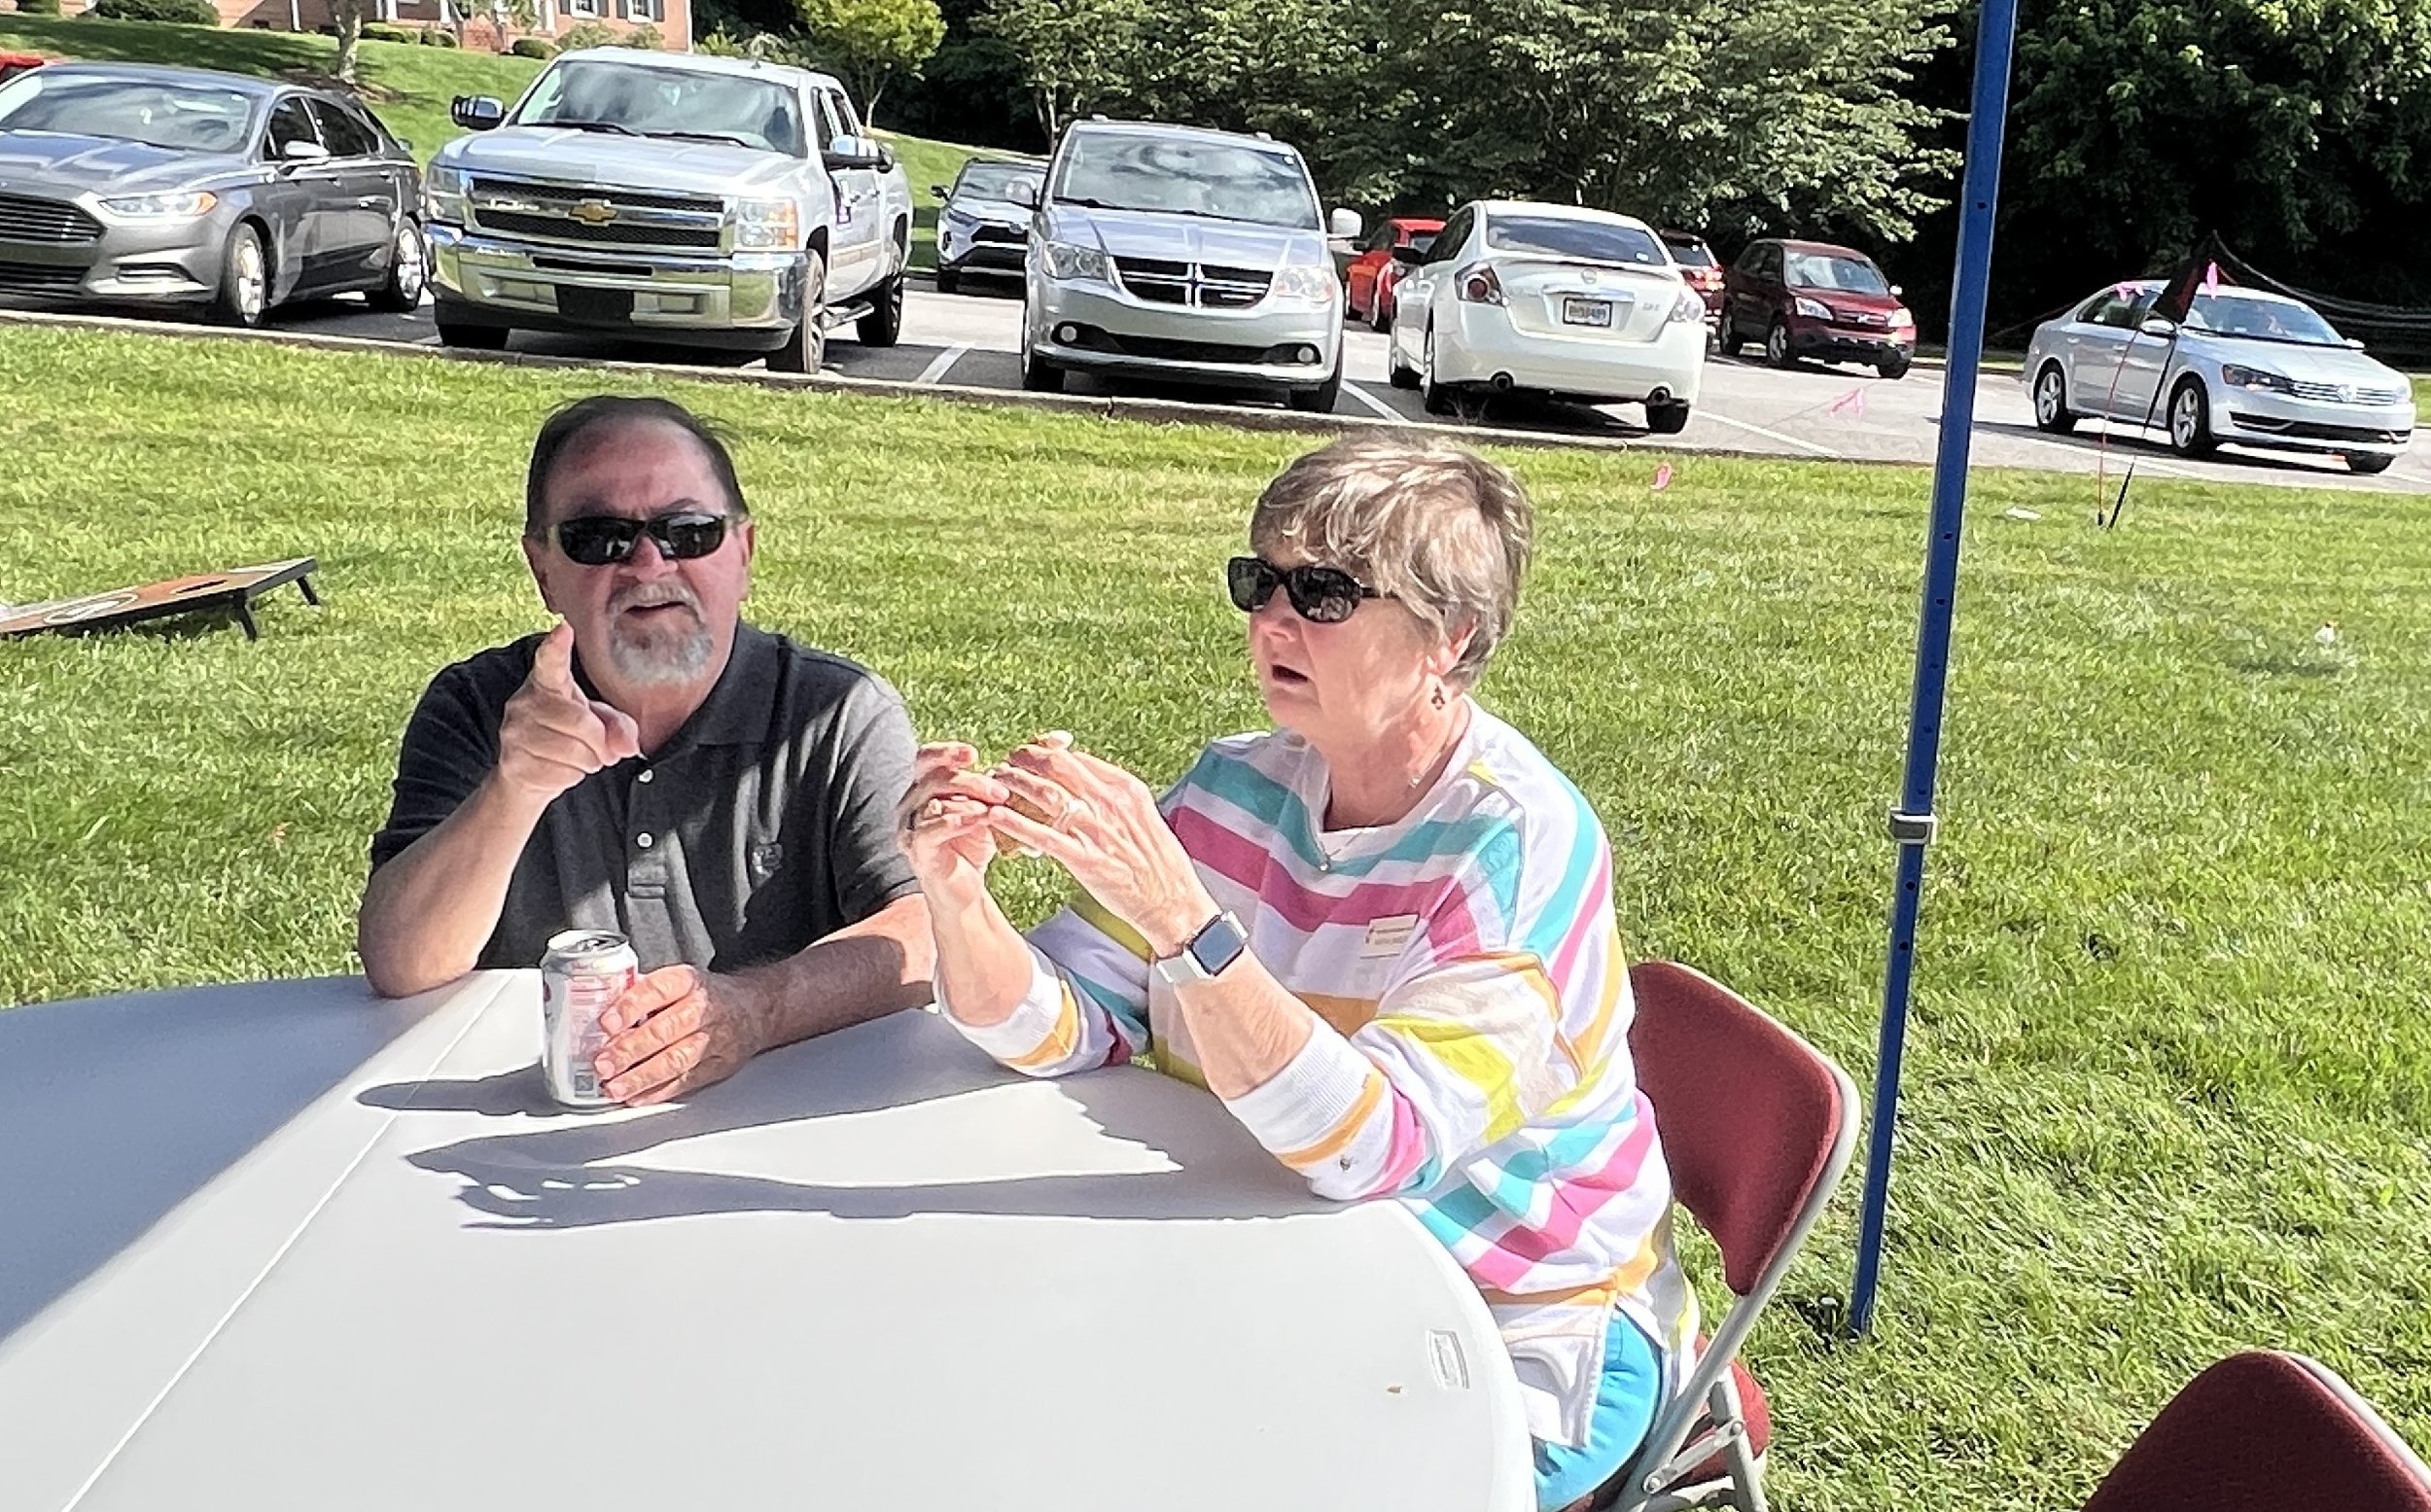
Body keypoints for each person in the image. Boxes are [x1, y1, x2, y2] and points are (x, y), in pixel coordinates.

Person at [899, 434, 1694, 1511]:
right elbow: (1067, 1025)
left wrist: (1181, 917)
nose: (1270, 620)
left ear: (1448, 640)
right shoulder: (1239, 783)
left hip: (1519, 1313)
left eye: (1322, 592)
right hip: (1277, 1246)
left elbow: (1378, 1149)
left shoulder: (1512, 850)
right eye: (1258, 580)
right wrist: (954, 896)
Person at [360, 396, 933, 1105]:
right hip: (526, 1133)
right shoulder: (480, 708)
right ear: (543, 571)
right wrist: (513, 791)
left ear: (744, 555)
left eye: (689, 531)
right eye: (598, 536)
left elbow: (921, 934)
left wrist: (753, 1010)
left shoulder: (837, 714)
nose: (647, 562)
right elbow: (402, 961)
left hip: (784, 1127)